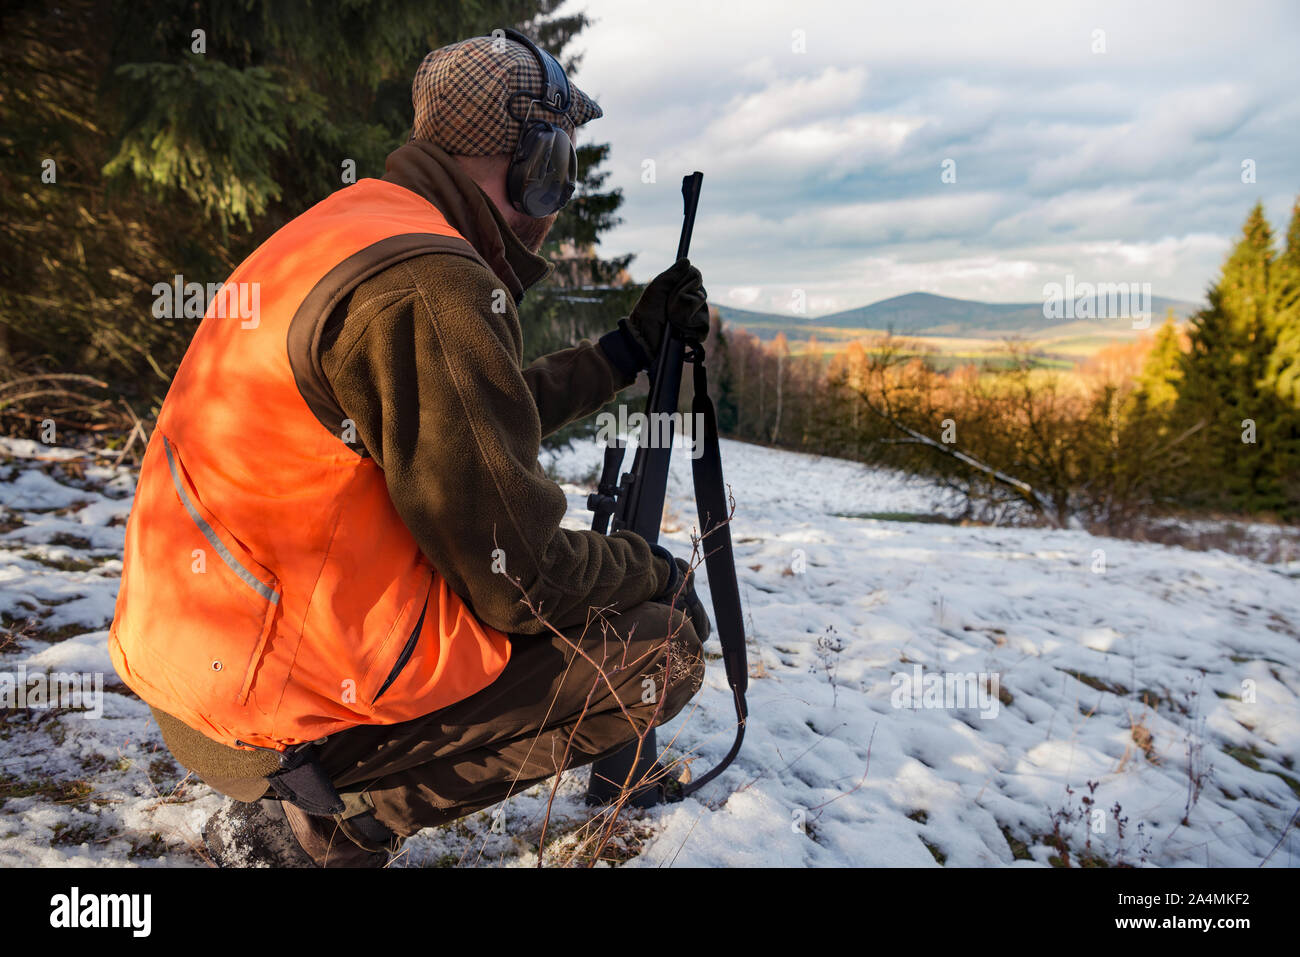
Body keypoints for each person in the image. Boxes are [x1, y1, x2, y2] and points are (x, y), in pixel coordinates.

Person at [108, 29, 713, 867]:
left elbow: (468, 424)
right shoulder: (437, 282)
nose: (560, 196)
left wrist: (620, 355)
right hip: (267, 714)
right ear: (529, 162)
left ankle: (312, 791)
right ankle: (322, 825)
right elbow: (519, 580)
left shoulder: (356, 229)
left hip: (197, 675)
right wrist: (653, 569)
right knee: (663, 644)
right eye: (558, 169)